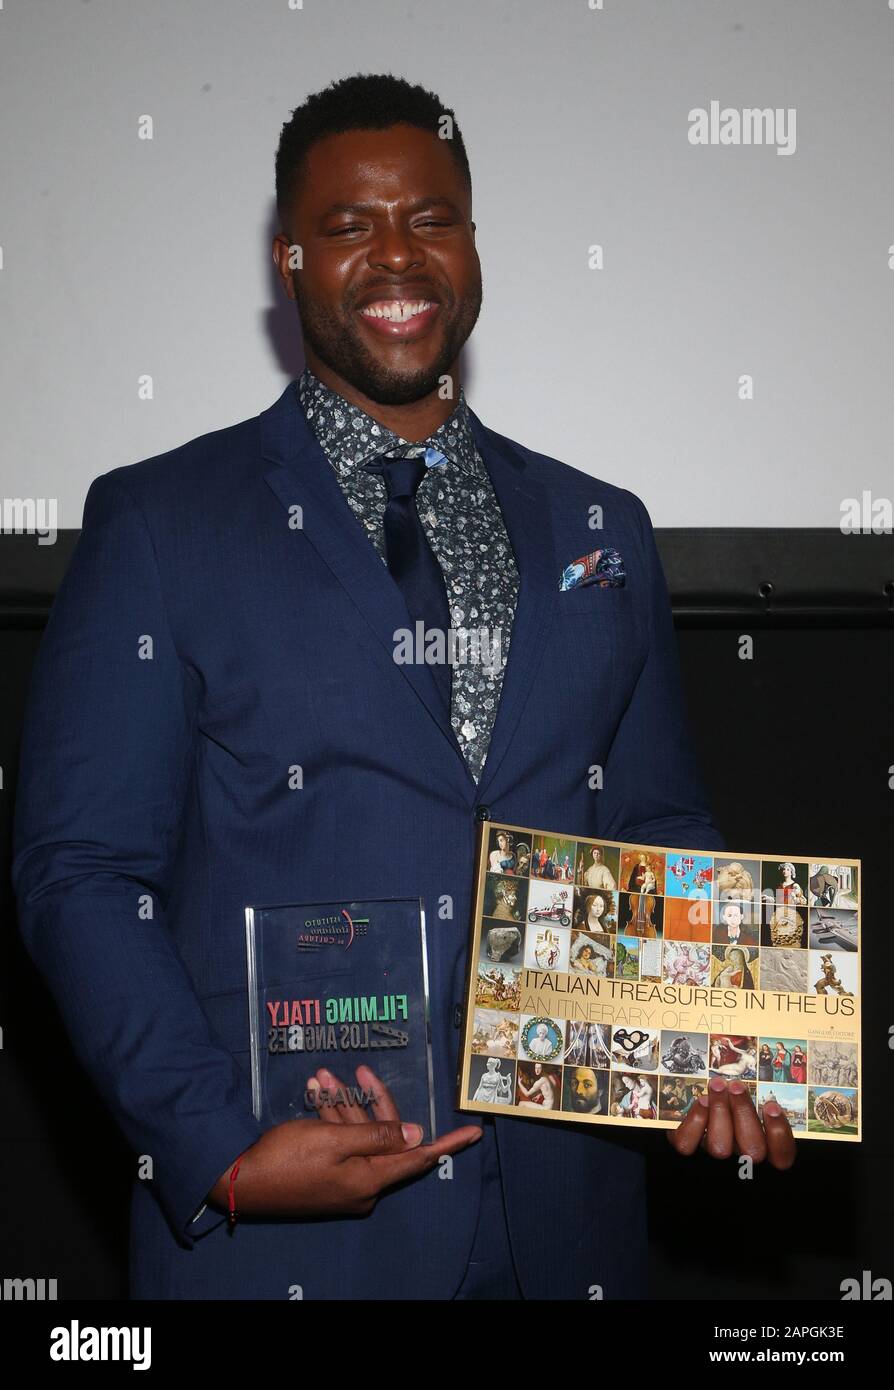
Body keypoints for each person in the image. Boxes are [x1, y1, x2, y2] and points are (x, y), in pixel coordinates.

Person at [11, 72, 795, 1304]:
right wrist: (215, 1150)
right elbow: (81, 874)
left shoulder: (602, 528)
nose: (396, 255)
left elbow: (653, 826)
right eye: (347, 225)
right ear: (288, 258)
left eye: (431, 219)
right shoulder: (161, 524)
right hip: (283, 1239)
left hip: (567, 1229)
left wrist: (719, 1043)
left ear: (473, 245)